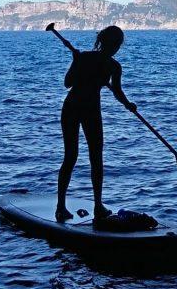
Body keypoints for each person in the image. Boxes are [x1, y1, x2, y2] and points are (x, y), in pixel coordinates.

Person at [56, 25, 137, 222]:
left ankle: (93, 206)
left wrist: (128, 104)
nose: (116, 47)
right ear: (111, 43)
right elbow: (68, 83)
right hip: (80, 108)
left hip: (81, 107)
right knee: (77, 156)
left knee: (88, 157)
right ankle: (65, 207)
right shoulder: (107, 64)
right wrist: (78, 64)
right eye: (116, 43)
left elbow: (116, 92)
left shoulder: (95, 60)